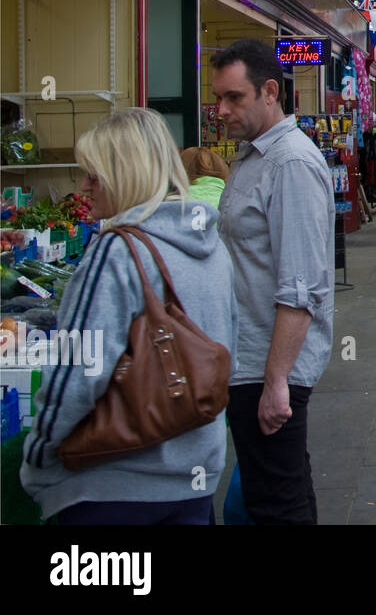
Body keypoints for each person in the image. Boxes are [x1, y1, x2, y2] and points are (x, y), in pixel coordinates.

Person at [21, 108, 237, 524]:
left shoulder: (116, 252)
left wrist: (37, 456)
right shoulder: (211, 245)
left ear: (126, 175)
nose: (83, 187)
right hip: (195, 475)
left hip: (111, 482)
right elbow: (230, 353)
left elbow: (77, 371)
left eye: (94, 175)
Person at [211, 39, 334, 525]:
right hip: (248, 356)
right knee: (283, 489)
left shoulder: (290, 164)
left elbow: (300, 287)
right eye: (218, 98)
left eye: (233, 98)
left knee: (274, 503)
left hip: (265, 362)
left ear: (268, 92)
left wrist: (277, 380)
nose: (221, 110)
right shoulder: (254, 157)